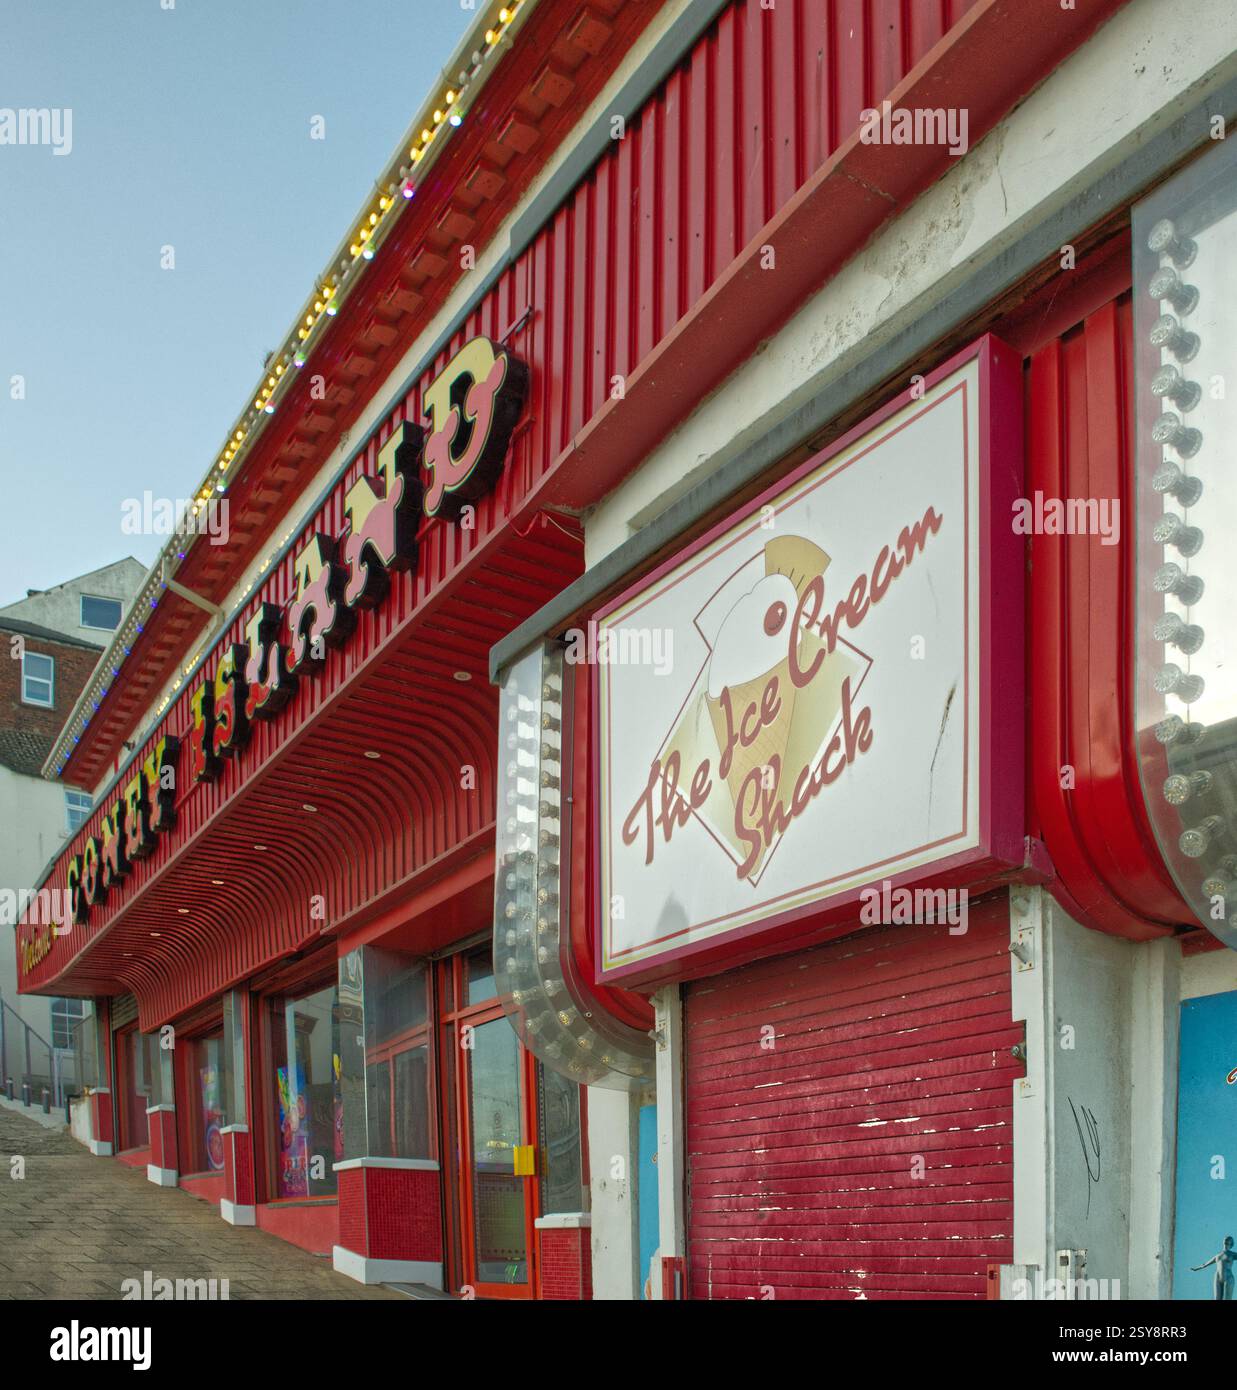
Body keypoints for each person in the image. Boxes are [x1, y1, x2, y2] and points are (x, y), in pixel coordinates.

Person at [1191, 1235, 1237, 1299]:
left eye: (1228, 1239)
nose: (1226, 1240)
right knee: (1217, 1298)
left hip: (1228, 1277)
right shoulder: (1218, 1255)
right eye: (1225, 1239)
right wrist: (1196, 1268)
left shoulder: (1232, 1254)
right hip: (1218, 1276)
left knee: (1227, 1298)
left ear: (1231, 1243)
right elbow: (1205, 1264)